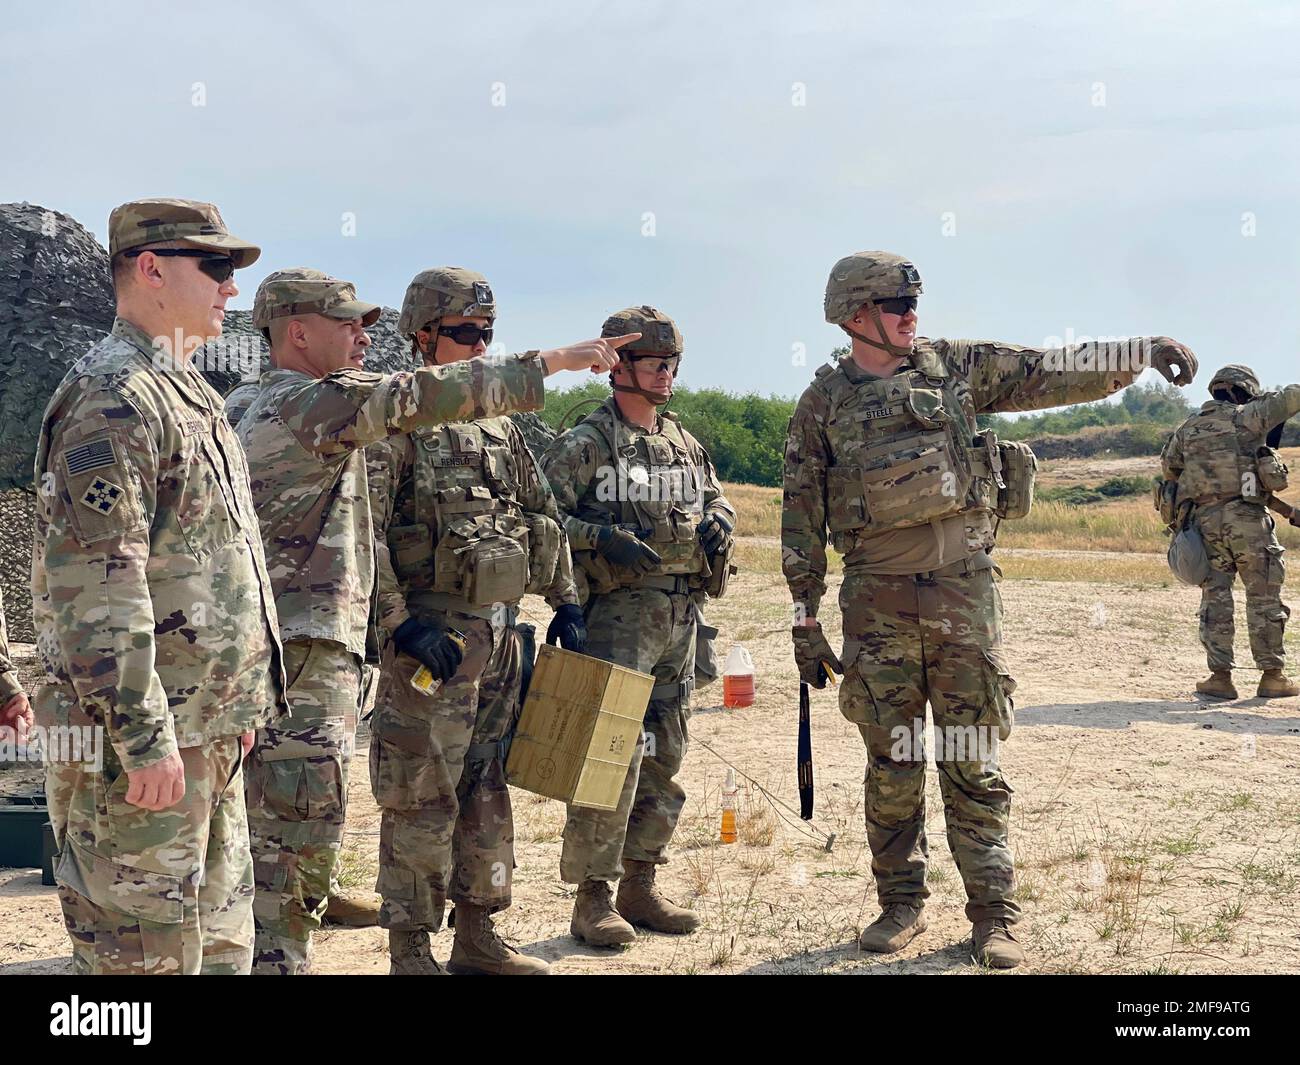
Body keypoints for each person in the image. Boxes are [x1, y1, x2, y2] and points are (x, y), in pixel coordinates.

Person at [782, 251, 1198, 968]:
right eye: (894, 302)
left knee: (972, 754)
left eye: (915, 301)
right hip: (875, 602)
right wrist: (804, 615)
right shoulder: (824, 402)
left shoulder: (954, 368)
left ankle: (993, 914)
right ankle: (901, 902)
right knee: (892, 762)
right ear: (854, 313)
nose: (912, 313)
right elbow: (799, 512)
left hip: (960, 594)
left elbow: (1048, 369)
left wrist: (1140, 350)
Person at [32, 198, 284, 974]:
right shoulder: (114, 397)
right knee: (140, 959)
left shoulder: (189, 392)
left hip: (203, 729)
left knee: (214, 948)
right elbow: (103, 587)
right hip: (144, 745)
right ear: (150, 269)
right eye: (216, 267)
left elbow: (215, 557)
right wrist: (143, 736)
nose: (231, 289)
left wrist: (237, 702)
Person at [367, 267, 629, 974]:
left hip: (501, 639)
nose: (480, 344)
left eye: (488, 332)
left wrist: (567, 601)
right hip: (433, 644)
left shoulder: (500, 427)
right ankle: (410, 946)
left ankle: (478, 933)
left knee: (486, 786)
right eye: (464, 334)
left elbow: (540, 515)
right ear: (423, 337)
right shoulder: (392, 422)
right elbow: (362, 540)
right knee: (421, 795)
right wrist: (397, 626)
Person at [541, 305, 736, 948]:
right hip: (617, 618)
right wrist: (601, 539)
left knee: (665, 755)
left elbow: (715, 495)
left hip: (681, 618)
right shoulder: (589, 443)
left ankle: (641, 883)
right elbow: (540, 520)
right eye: (657, 363)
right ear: (619, 366)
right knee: (606, 758)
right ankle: (592, 898)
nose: (669, 374)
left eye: (674, 364)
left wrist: (722, 521)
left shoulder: (682, 440)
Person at [1159, 364, 1300, 700]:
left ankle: (1220, 678)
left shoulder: (1187, 428)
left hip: (1205, 522)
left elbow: (1169, 468)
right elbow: (1294, 396)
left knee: (1216, 598)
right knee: (1263, 596)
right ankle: (1272, 676)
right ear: (1244, 391)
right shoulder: (1249, 416)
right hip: (1247, 520)